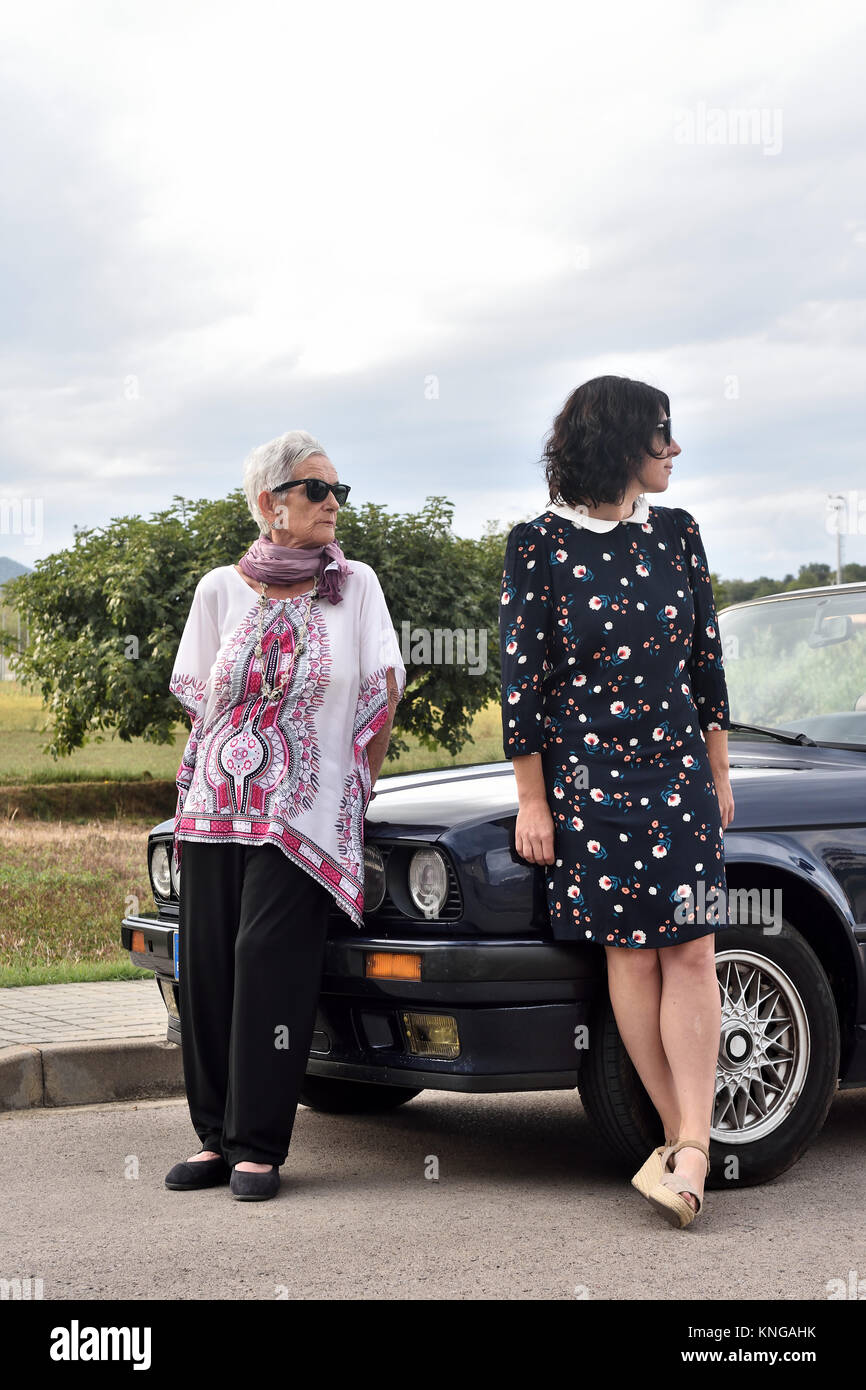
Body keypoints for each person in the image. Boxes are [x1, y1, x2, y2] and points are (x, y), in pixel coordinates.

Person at [499, 376, 734, 1228]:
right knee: (631, 958)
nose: (674, 452)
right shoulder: (537, 545)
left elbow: (706, 660)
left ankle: (692, 1148)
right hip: (590, 785)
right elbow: (523, 682)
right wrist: (534, 801)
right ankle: (683, 1143)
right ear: (621, 442)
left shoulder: (678, 534)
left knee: (694, 951)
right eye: (662, 436)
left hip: (678, 776)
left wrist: (718, 769)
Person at [164, 430, 405, 1200]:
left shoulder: (355, 585)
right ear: (271, 503)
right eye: (317, 490)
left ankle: (258, 1145)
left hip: (302, 816)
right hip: (214, 809)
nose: (334, 503)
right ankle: (212, 1137)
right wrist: (220, 777)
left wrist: (347, 790)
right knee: (206, 967)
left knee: (268, 961)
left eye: (340, 491)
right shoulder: (219, 590)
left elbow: (381, 689)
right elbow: (202, 700)